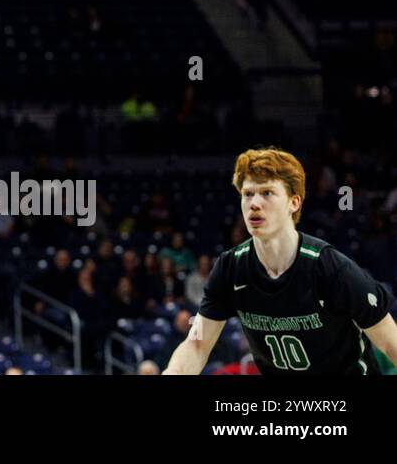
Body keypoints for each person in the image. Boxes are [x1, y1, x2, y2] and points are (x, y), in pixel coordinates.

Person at [164, 147, 397, 375]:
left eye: (266, 193)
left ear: (293, 202)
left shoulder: (329, 267)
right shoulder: (230, 268)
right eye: (247, 194)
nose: (254, 203)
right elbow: (197, 345)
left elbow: (391, 344)